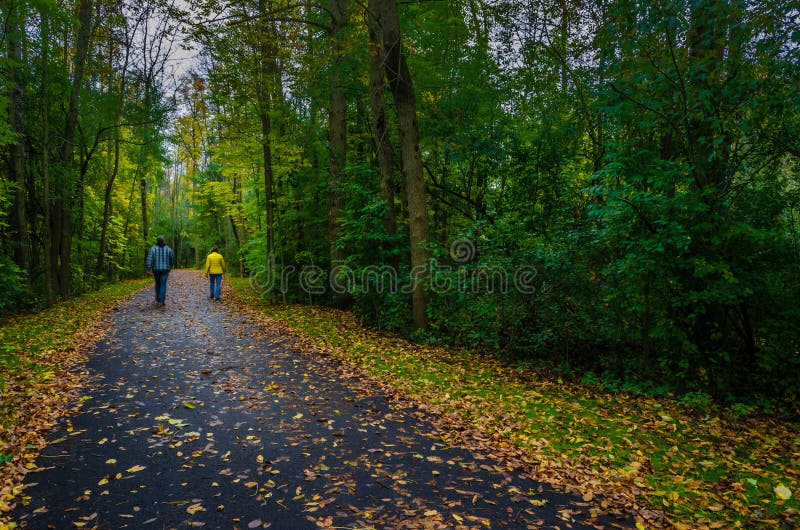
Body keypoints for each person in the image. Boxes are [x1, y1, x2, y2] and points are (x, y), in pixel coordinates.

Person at [145, 235, 176, 307]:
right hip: (165, 269)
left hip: (156, 269)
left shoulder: (153, 249)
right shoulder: (168, 249)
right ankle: (161, 301)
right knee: (163, 284)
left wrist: (149, 268)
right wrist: (171, 265)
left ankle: (158, 300)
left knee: (158, 283)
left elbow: (149, 259)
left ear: (157, 241)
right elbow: (172, 258)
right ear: (163, 241)